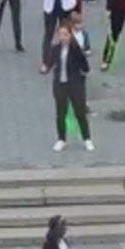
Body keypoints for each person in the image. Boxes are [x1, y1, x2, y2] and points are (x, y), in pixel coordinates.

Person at [46, 10, 94, 152]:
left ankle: (87, 138)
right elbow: (49, 62)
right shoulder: (56, 49)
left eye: (65, 34)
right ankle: (61, 139)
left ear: (70, 35)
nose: (63, 37)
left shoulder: (75, 49)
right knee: (61, 112)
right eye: (60, 35)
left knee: (80, 112)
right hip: (60, 84)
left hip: (75, 84)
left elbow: (85, 66)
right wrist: (46, 65)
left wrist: (81, 76)